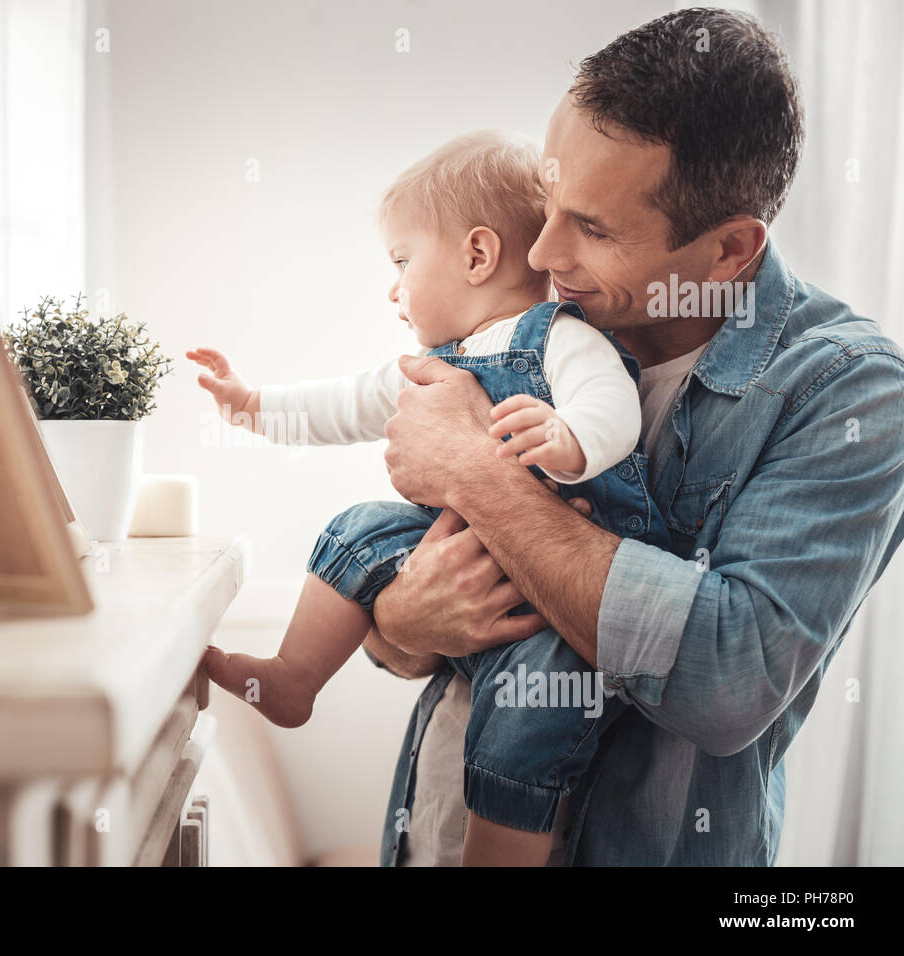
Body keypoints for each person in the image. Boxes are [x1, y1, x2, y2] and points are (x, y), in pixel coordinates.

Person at [367, 7, 904, 866]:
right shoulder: (535, 324)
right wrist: (399, 618)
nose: (540, 252)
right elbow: (395, 624)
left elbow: (726, 678)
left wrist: (478, 473)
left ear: (729, 250)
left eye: (595, 229)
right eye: (550, 201)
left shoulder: (849, 390)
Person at [190, 129, 667, 865]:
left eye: (403, 262)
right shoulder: (424, 365)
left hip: (553, 605)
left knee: (525, 720)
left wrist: (570, 438)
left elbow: (612, 404)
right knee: (356, 529)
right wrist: (252, 404)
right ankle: (293, 679)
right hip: (458, 550)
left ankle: (497, 852)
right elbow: (340, 406)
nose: (393, 288)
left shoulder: (558, 339)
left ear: (477, 256)